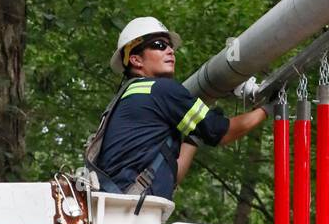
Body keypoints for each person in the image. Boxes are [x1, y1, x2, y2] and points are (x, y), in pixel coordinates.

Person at [88, 16, 268, 202]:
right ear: (136, 60)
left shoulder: (128, 98)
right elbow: (221, 132)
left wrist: (194, 136)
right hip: (131, 212)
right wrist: (267, 109)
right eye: (159, 45)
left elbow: (172, 179)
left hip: (119, 211)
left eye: (170, 46)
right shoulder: (159, 89)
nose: (170, 51)